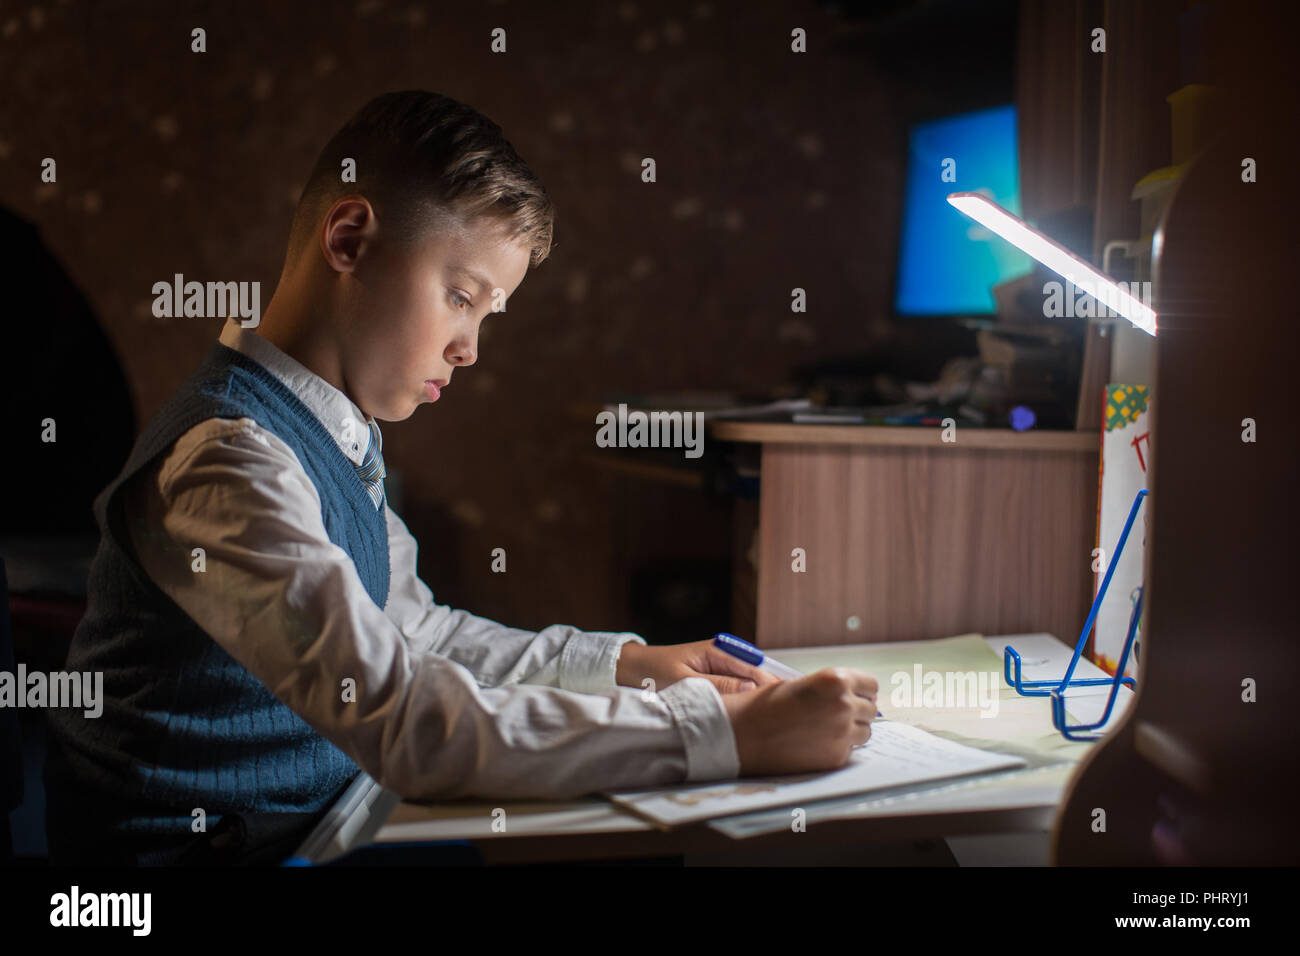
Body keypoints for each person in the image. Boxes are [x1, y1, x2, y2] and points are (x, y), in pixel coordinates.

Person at [43, 90, 878, 865]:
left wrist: (631, 665)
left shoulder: (336, 431)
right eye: (460, 296)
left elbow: (421, 634)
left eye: (487, 314)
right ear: (349, 239)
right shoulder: (229, 463)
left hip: (319, 815)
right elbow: (407, 718)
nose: (470, 348)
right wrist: (725, 735)